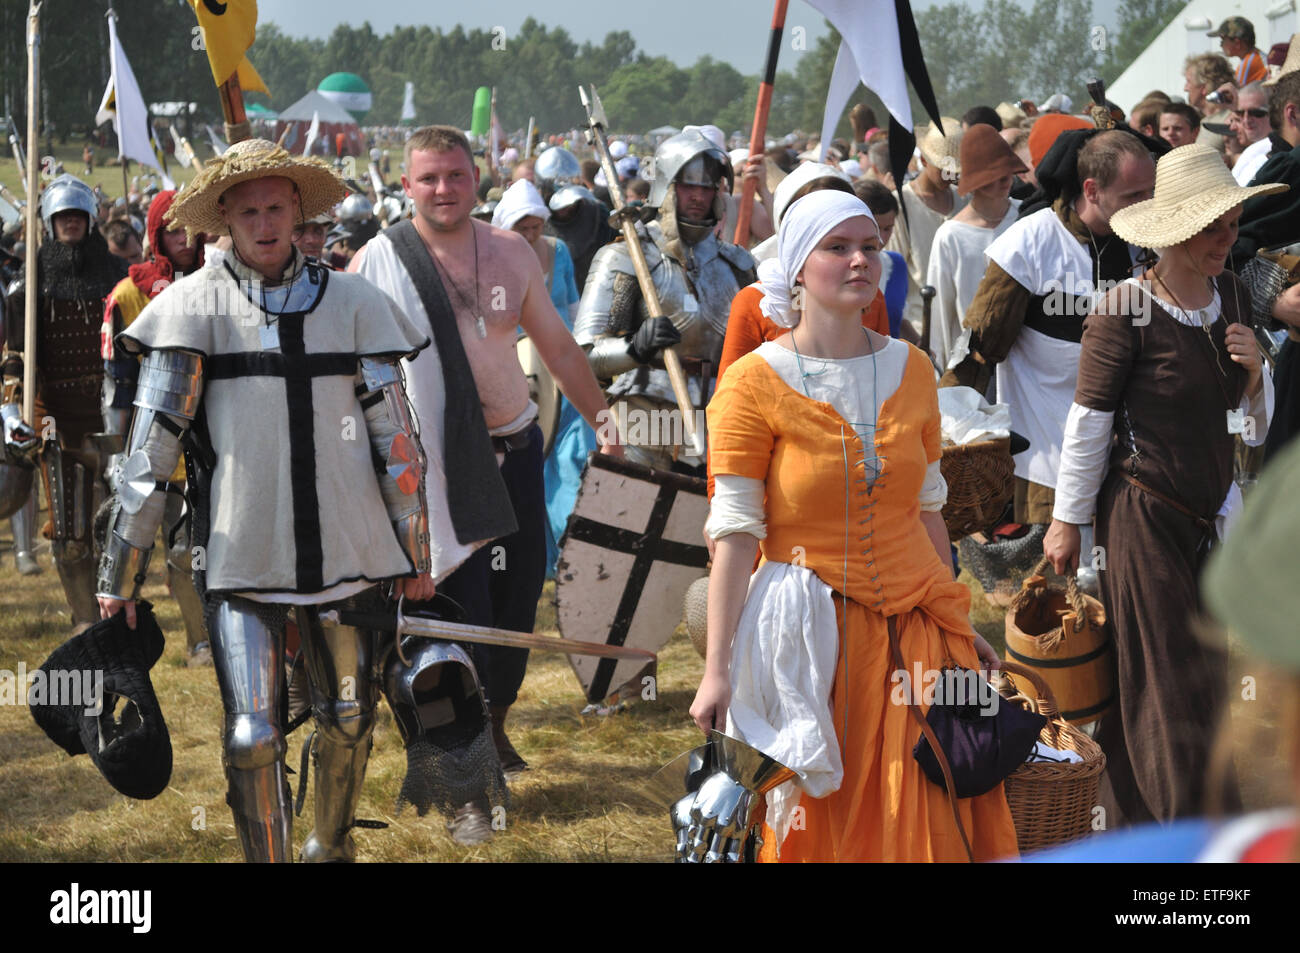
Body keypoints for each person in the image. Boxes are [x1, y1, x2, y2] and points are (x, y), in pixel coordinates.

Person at [96, 138, 436, 863]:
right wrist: (118, 576)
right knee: (254, 735)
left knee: (348, 715)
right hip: (241, 548)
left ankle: (329, 844)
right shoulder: (190, 307)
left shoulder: (353, 302)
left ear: (298, 209)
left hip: (348, 549)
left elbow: (397, 441)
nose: (264, 220)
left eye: (277, 205)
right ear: (222, 220)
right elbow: (149, 454)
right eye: (247, 209)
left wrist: (417, 551)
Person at [691, 190, 1016, 862]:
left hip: (920, 631)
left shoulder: (913, 368)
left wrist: (961, 624)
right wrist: (718, 669)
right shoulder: (752, 384)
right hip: (812, 638)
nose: (860, 260)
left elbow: (927, 512)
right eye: (837, 248)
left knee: (929, 807)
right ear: (798, 268)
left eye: (870, 247)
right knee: (826, 825)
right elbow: (735, 537)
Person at [352, 125, 620, 841]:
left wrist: (603, 416)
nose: (443, 189)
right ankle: (464, 786)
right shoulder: (378, 263)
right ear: (406, 185)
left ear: (478, 179)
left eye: (455, 175)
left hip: (515, 451)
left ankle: (493, 724)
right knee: (449, 631)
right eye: (429, 178)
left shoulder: (511, 253)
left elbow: (556, 343)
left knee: (511, 610)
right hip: (434, 473)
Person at [1044, 143, 1280, 826]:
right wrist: (1066, 521)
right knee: (1163, 680)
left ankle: (1155, 820)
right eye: (1213, 227)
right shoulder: (1123, 308)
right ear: (1175, 226)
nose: (1226, 240)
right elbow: (1088, 424)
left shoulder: (1233, 293)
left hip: (1211, 518)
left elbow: (1251, 431)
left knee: (1202, 677)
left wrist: (1257, 373)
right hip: (1142, 518)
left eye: (1232, 225)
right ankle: (1184, 840)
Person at [945, 131, 1155, 543]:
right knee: (1054, 596)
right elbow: (979, 349)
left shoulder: (1147, 244)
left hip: (1134, 454)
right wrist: (951, 437)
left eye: (1150, 192)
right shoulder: (1030, 244)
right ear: (1092, 190)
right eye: (1133, 195)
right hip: (1047, 456)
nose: (1146, 205)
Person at [575, 129, 756, 474]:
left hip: (720, 418)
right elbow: (583, 355)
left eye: (707, 187)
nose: (699, 196)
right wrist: (634, 349)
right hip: (643, 417)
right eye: (689, 185)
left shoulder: (740, 266)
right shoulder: (626, 255)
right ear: (666, 185)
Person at [3, 174, 128, 631]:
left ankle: (117, 613)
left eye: (77, 215)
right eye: (62, 217)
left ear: (90, 220)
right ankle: (85, 623)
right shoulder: (28, 285)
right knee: (72, 537)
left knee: (119, 531)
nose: (71, 223)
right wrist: (10, 410)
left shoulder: (116, 276)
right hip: (55, 419)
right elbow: (14, 357)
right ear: (49, 223)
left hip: (111, 413)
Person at [100, 189, 209, 665]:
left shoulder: (219, 284)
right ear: (156, 234)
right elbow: (118, 386)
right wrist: (117, 456)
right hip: (154, 441)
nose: (183, 238)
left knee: (194, 550)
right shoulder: (129, 294)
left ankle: (204, 637)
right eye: (172, 229)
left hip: (211, 442)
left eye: (190, 227)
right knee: (161, 546)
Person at [491, 179, 593, 576]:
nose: (531, 234)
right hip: (521, 373)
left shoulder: (559, 251)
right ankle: (542, 552)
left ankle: (574, 541)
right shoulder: (497, 259)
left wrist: (584, 356)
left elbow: (574, 307)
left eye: (536, 226)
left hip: (565, 372)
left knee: (574, 458)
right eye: (523, 228)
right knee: (533, 461)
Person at [926, 124, 1026, 370]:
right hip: (972, 360)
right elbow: (941, 310)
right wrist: (946, 369)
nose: (1005, 180)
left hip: (1026, 356)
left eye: (1008, 173)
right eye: (994, 176)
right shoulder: (950, 235)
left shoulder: (1027, 218)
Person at [884, 119, 968, 338]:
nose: (950, 175)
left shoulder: (965, 201)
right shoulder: (901, 205)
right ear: (923, 160)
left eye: (955, 169)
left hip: (962, 323)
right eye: (943, 168)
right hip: (920, 327)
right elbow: (892, 272)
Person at [1231, 83, 1277, 185]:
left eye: (1255, 113)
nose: (1246, 120)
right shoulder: (1252, 149)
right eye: (1241, 113)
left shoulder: (1274, 151)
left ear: (1273, 112)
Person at [1210, 16, 1269, 87]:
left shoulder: (1248, 63)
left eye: (1223, 40)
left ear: (1237, 43)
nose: (1221, 45)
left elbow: (1238, 95)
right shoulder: (1254, 57)